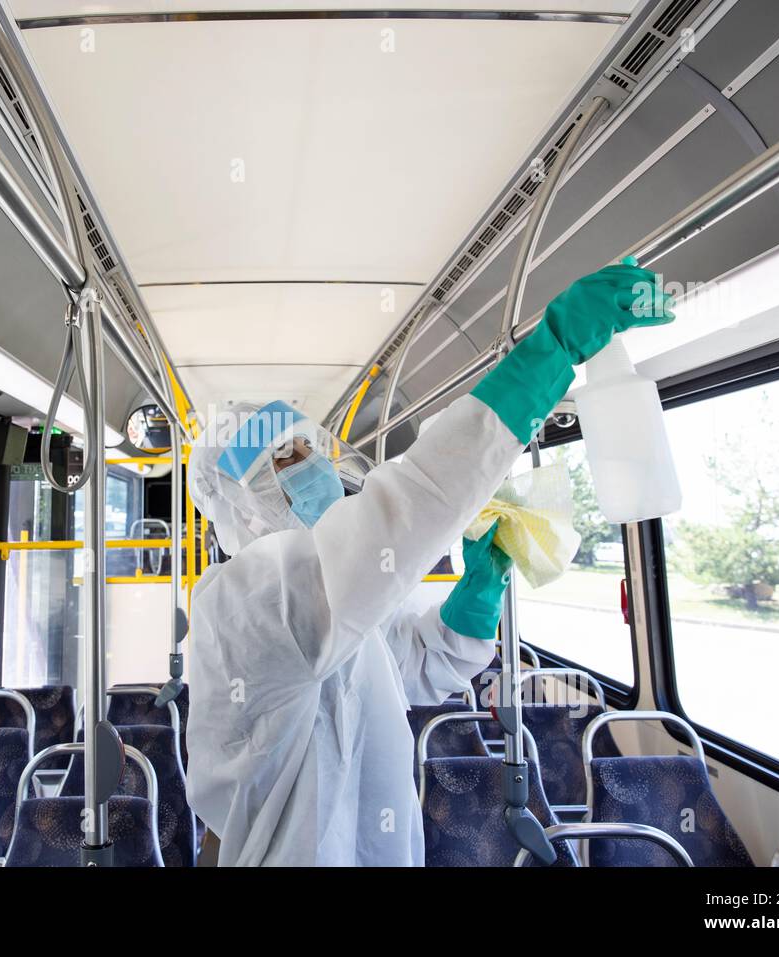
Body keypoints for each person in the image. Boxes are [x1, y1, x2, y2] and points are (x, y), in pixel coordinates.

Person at [183, 261, 673, 866]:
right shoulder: (246, 599)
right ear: (241, 500)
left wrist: (475, 598)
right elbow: (409, 503)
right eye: (288, 460)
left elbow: (416, 665)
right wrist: (548, 354)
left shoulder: (325, 595)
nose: (317, 468)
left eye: (311, 451)